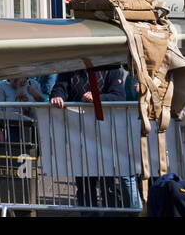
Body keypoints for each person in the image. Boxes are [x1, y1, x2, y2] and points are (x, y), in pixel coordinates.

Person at [50, 67, 127, 215]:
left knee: (107, 179)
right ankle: (87, 213)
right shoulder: (70, 67)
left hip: (105, 134)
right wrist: (57, 96)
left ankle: (111, 214)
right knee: (84, 181)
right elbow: (60, 87)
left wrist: (98, 97)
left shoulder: (111, 68)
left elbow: (119, 96)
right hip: (79, 133)